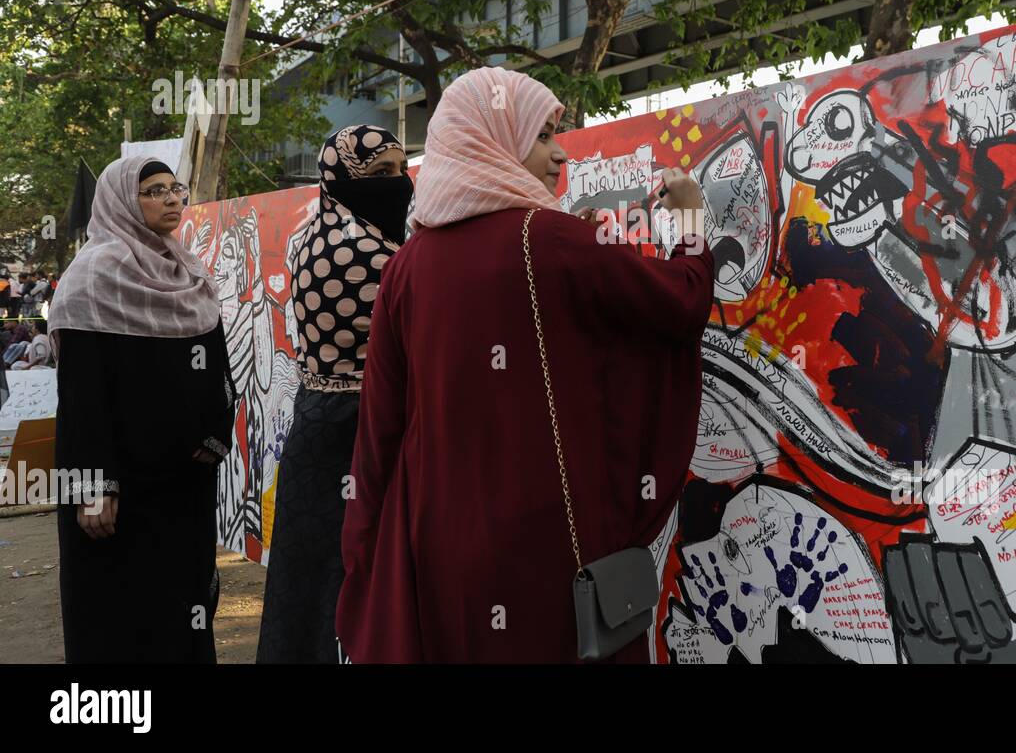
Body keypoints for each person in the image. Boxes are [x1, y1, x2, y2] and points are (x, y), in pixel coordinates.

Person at [336, 66, 715, 663]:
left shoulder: (406, 266)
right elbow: (680, 301)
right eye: (541, 136)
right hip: (547, 537)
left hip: (436, 539)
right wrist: (690, 220)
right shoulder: (553, 240)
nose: (561, 153)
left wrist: (366, 548)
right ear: (493, 140)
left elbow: (379, 425)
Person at [48, 156, 236, 663]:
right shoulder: (90, 279)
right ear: (122, 201)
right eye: (153, 191)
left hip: (183, 481)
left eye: (175, 189)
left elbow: (218, 371)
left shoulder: (188, 272)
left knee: (186, 607)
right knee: (118, 615)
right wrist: (93, 487)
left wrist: (216, 436)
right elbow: (83, 401)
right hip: (119, 493)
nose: (172, 199)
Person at [257, 124, 413, 664]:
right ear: (339, 176)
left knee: (311, 575)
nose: (398, 184)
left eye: (399, 170)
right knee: (359, 573)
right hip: (364, 427)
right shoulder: (377, 254)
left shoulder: (310, 239)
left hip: (318, 419)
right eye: (379, 174)